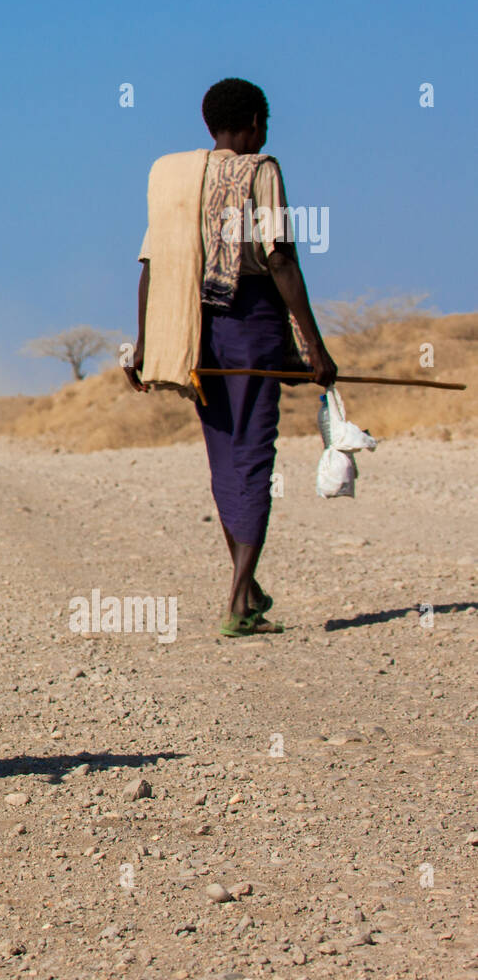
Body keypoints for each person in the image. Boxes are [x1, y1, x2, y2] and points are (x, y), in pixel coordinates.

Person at [125, 78, 337, 636]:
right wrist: (315, 347)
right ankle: (239, 599)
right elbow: (281, 257)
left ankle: (247, 588)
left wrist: (145, 346)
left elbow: (151, 265)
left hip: (195, 332)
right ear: (254, 123)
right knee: (252, 456)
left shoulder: (175, 178)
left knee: (225, 457)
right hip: (251, 326)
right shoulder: (260, 169)